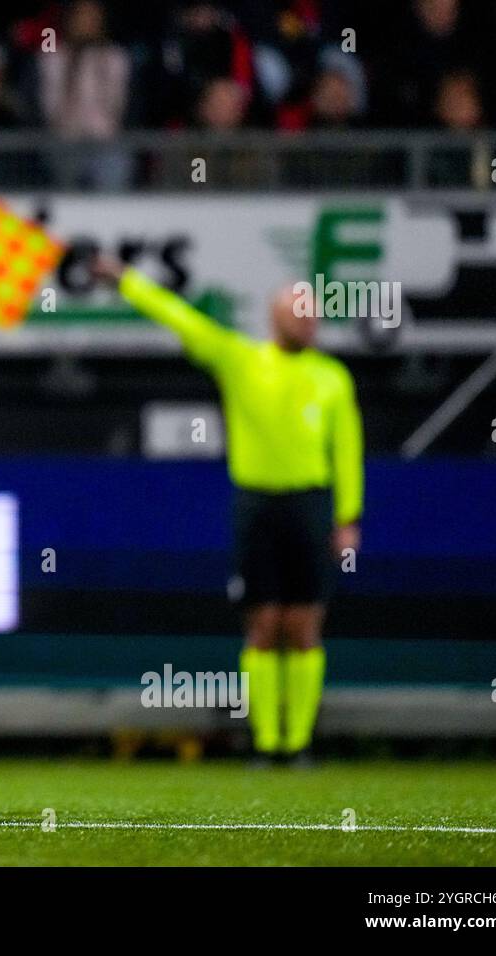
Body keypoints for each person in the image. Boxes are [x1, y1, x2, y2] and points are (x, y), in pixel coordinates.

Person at [96, 259, 363, 765]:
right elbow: (181, 318)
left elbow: (346, 450)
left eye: (313, 314)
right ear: (275, 317)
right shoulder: (242, 360)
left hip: (309, 505)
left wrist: (348, 518)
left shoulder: (333, 378)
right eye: (299, 312)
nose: (309, 321)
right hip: (257, 504)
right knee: (263, 625)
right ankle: (265, 742)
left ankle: (298, 744)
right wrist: (126, 280)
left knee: (304, 626)